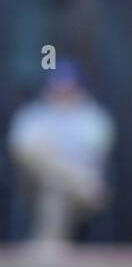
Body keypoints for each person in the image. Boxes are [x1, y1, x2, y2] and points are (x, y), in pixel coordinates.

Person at [7, 64, 114, 251]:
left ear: (79, 88)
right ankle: (49, 253)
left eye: (68, 88)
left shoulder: (93, 116)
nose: (62, 93)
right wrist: (72, 176)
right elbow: (22, 151)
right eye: (58, 87)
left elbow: (97, 155)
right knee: (51, 180)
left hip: (85, 193)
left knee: (54, 190)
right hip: (65, 185)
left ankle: (46, 252)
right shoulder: (34, 114)